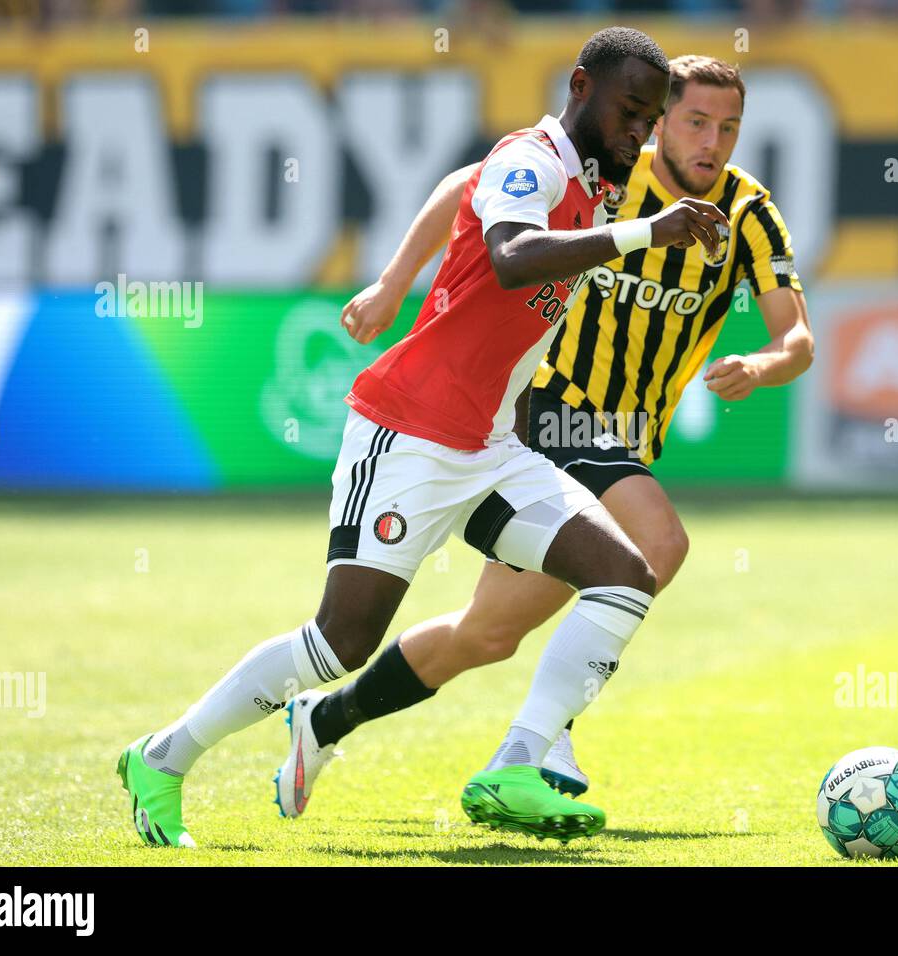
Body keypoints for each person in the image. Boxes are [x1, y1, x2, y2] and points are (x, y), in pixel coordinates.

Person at [117, 26, 729, 847]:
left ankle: (519, 759)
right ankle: (163, 756)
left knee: (625, 576)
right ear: (580, 87)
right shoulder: (538, 162)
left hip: (489, 448)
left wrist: (396, 275)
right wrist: (643, 235)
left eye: (650, 119)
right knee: (338, 644)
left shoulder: (595, 177)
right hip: (407, 434)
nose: (639, 133)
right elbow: (513, 256)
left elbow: (459, 186)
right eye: (629, 111)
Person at [277, 54, 813, 818]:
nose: (711, 141)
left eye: (728, 128)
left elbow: (799, 341)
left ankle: (326, 719)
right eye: (694, 120)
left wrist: (762, 364)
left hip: (625, 435)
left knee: (485, 634)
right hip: (547, 408)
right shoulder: (612, 172)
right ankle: (532, 747)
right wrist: (394, 284)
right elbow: (466, 188)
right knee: (660, 543)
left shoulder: (749, 213)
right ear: (659, 119)